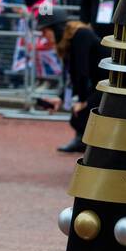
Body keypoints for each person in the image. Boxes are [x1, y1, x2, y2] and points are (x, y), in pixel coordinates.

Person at [35, 12, 102, 154]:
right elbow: (72, 76)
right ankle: (83, 141)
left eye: (45, 31)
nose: (43, 36)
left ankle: (92, 144)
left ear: (56, 28)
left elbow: (81, 71)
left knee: (84, 111)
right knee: (78, 115)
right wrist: (60, 98)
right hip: (100, 82)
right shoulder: (68, 41)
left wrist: (83, 100)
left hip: (111, 81)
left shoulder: (81, 35)